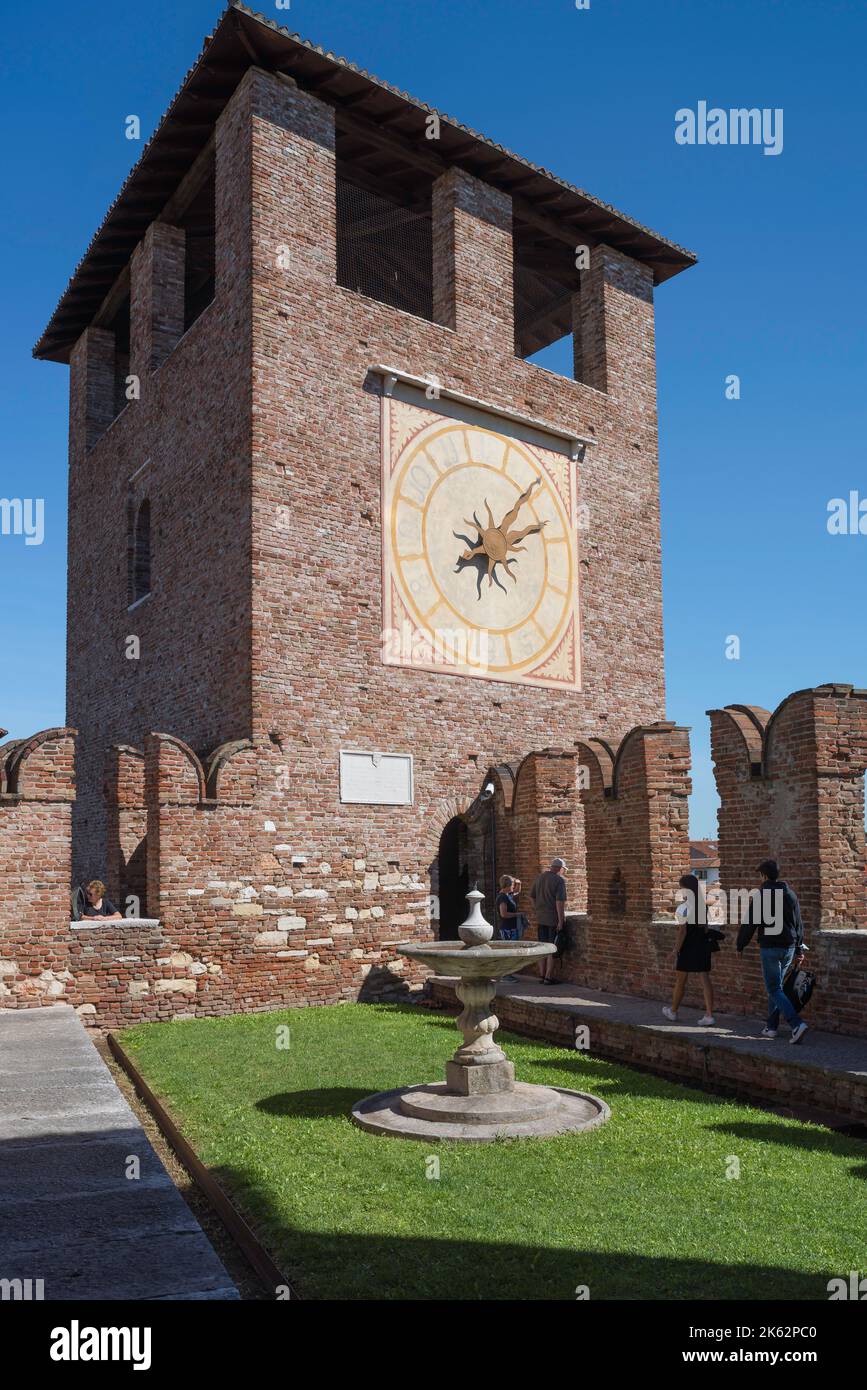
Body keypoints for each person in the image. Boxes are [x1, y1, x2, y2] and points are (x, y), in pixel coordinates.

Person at [737, 859, 808, 1044]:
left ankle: (796, 1024)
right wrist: (800, 946)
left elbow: (750, 922)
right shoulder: (790, 894)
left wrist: (740, 944)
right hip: (789, 947)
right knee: (777, 988)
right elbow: (798, 923)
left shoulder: (761, 895)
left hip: (770, 947)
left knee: (774, 988)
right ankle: (771, 1027)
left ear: (764, 876)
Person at [662, 873, 715, 1025]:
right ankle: (709, 1015)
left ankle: (673, 1011)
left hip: (688, 946)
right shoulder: (702, 905)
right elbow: (705, 928)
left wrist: (675, 950)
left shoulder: (683, 908)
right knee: (705, 978)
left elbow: (682, 931)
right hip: (702, 945)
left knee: (681, 980)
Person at [530, 857, 567, 985]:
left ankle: (541, 975)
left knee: (542, 947)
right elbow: (559, 902)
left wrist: (537, 909)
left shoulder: (539, 877)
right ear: (560, 869)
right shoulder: (559, 880)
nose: (564, 872)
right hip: (552, 918)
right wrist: (561, 921)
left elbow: (532, 897)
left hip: (541, 918)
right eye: (564, 870)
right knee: (552, 947)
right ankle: (548, 977)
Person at [495, 875, 524, 941]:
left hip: (512, 928)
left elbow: (517, 891)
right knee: (510, 949)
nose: (513, 887)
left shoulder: (508, 894)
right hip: (507, 929)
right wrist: (517, 914)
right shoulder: (502, 897)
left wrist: (519, 883)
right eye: (512, 885)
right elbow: (504, 914)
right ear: (507, 885)